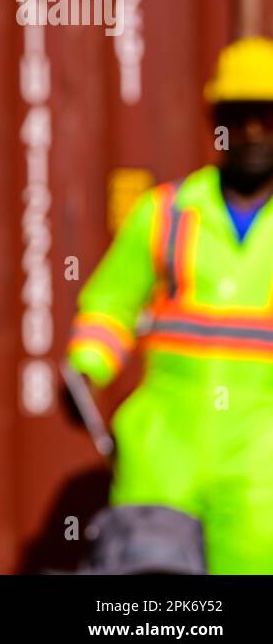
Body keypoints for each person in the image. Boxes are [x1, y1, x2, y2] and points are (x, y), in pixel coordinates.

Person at [64, 36, 273, 574]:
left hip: (261, 460)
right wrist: (89, 363)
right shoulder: (166, 212)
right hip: (165, 450)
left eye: (266, 116)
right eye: (239, 115)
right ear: (216, 122)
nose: (252, 131)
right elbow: (111, 302)